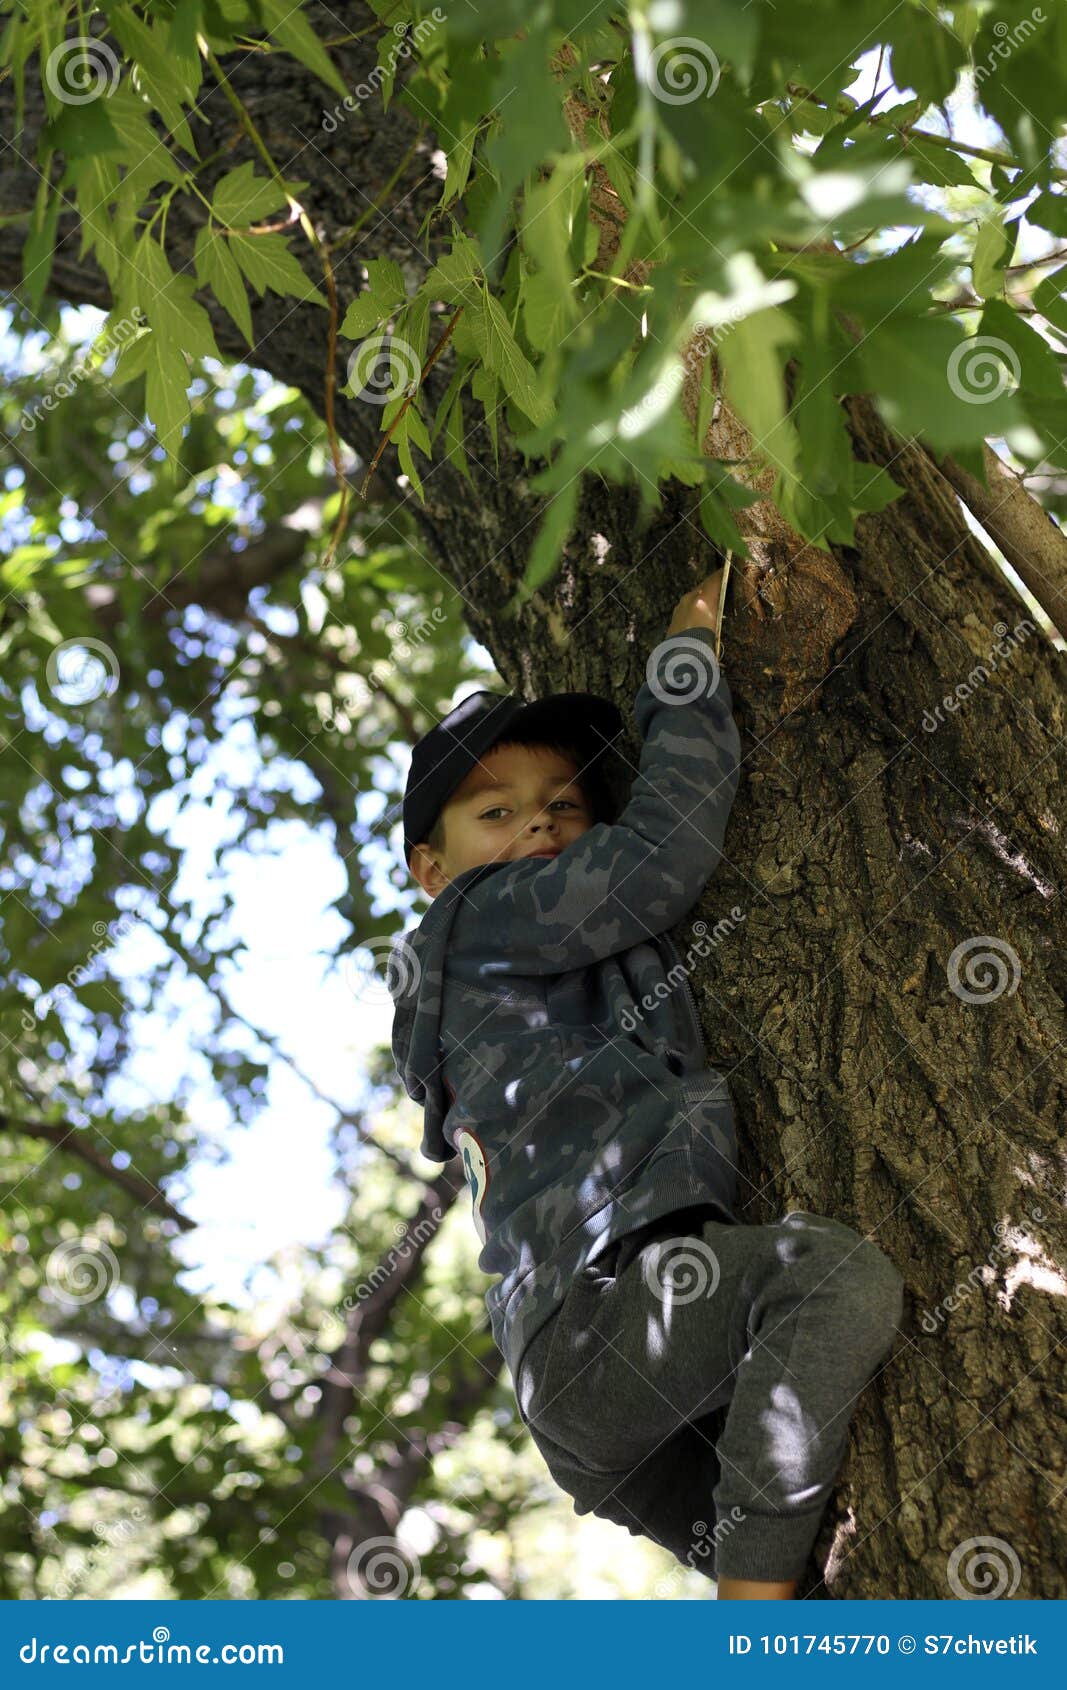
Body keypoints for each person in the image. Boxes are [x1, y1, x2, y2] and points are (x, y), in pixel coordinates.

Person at [389, 570, 904, 1597]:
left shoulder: (541, 956)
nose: (536, 826)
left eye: (564, 803)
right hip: (605, 1310)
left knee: (829, 1589)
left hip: (593, 1386)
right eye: (494, 811)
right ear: (429, 869)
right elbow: (660, 855)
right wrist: (686, 660)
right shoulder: (477, 919)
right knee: (829, 1281)